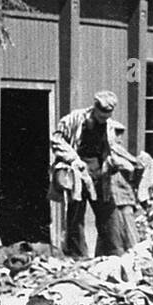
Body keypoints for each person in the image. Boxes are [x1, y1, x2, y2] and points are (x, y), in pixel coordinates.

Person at [51, 91, 140, 258]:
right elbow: (56, 140)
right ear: (95, 108)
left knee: (108, 213)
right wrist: (72, 159)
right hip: (78, 173)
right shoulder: (75, 119)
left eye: (107, 116)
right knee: (75, 215)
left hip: (100, 175)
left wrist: (121, 162)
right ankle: (78, 256)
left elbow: (113, 149)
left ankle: (113, 253)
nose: (103, 119)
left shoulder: (111, 127)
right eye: (101, 115)